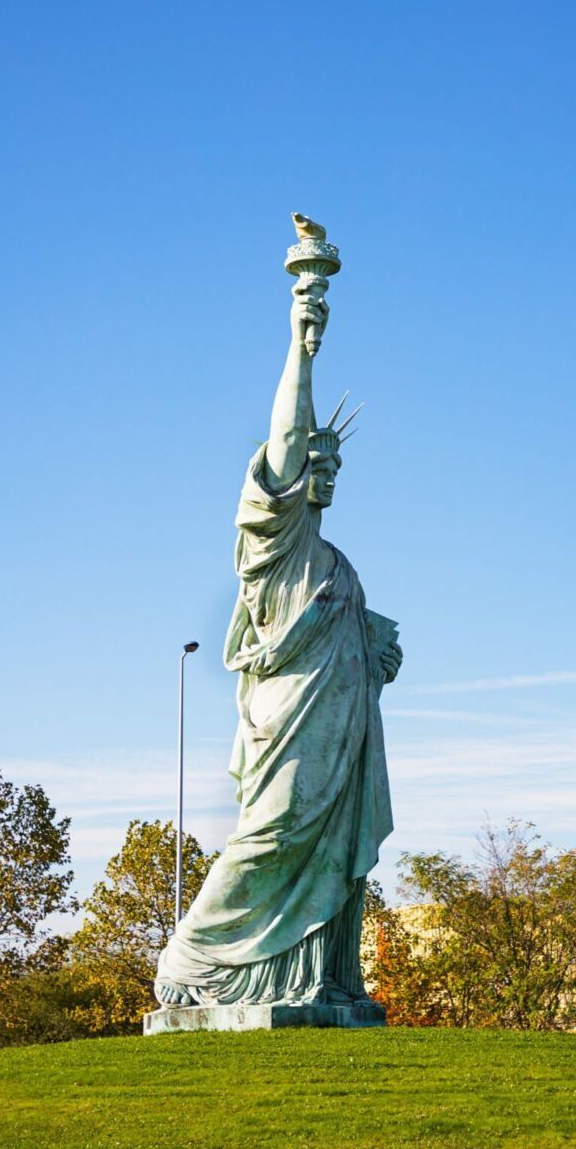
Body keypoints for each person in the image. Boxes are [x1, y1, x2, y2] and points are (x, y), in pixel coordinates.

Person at [153, 270, 399, 1010]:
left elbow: (362, 650)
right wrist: (303, 339)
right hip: (287, 730)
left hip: (339, 737)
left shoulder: (338, 565)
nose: (321, 472)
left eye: (333, 465)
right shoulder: (278, 545)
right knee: (270, 837)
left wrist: (379, 660)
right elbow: (289, 434)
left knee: (323, 853)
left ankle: (311, 980)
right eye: (311, 464)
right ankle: (193, 958)